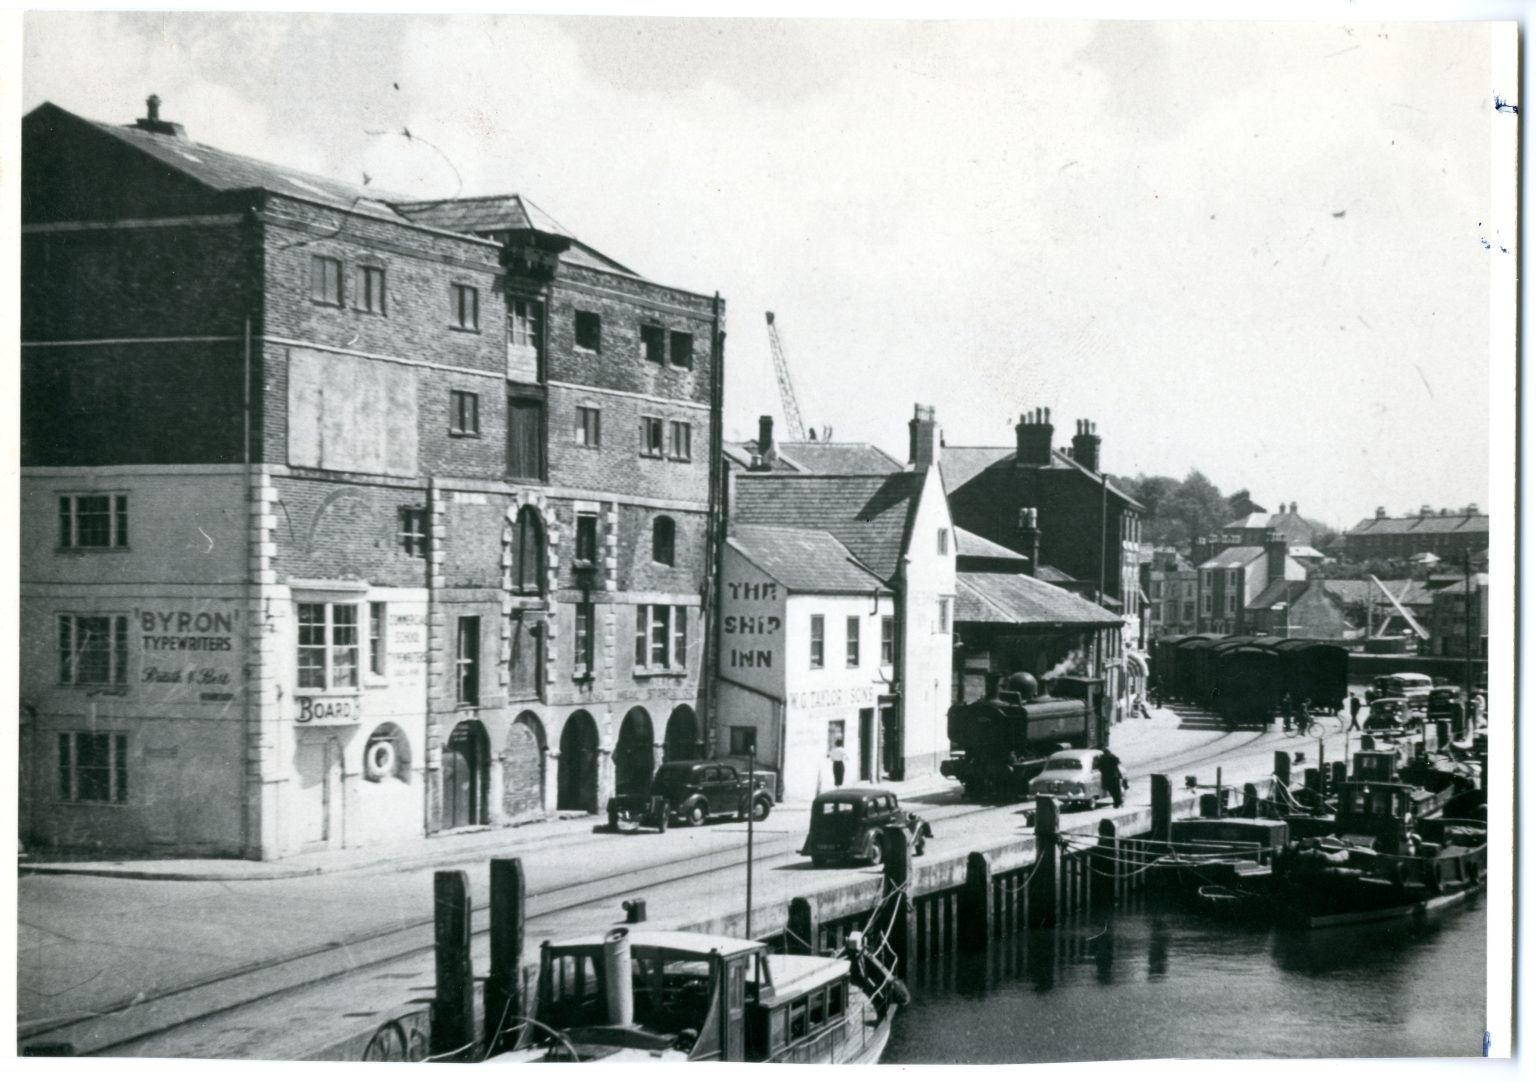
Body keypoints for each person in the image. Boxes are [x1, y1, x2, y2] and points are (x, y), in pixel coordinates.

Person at [1097, 744, 1125, 809]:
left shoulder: (1102, 758)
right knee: (1116, 790)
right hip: (1114, 776)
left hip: (1107, 777)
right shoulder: (1112, 757)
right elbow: (1118, 762)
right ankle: (1118, 802)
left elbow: (1100, 767)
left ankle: (1117, 802)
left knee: (1111, 790)